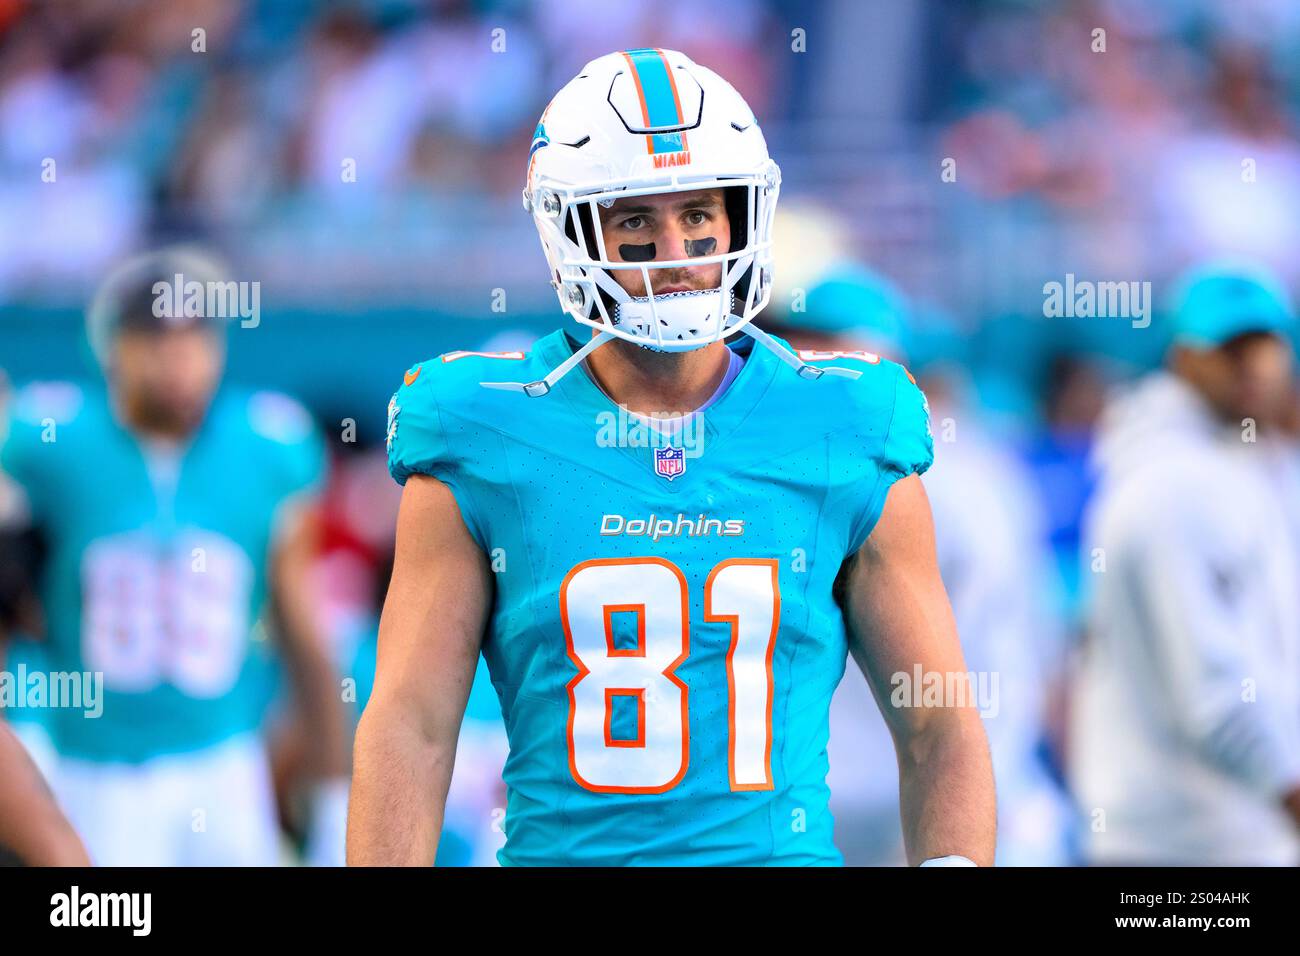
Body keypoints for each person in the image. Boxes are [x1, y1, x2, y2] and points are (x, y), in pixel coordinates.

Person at [348, 49, 994, 866]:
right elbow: (412, 724)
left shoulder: (845, 422)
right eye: (635, 222)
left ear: (741, 218)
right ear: (571, 233)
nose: (678, 249)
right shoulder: (485, 427)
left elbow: (938, 722)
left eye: (698, 214)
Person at [0, 247, 348, 866]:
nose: (180, 362)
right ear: (113, 348)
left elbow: (302, 632)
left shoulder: (268, 446)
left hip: (223, 764)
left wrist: (332, 792)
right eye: (157, 341)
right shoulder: (46, 444)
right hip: (92, 766)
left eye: (197, 340)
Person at [1074, 264, 1300, 865]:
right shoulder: (1177, 487)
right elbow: (1214, 687)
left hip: (1212, 831)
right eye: (1229, 348)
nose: (1252, 365)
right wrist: (1288, 787)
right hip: (1184, 844)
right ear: (1183, 357)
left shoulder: (1237, 467)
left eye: (1264, 344)